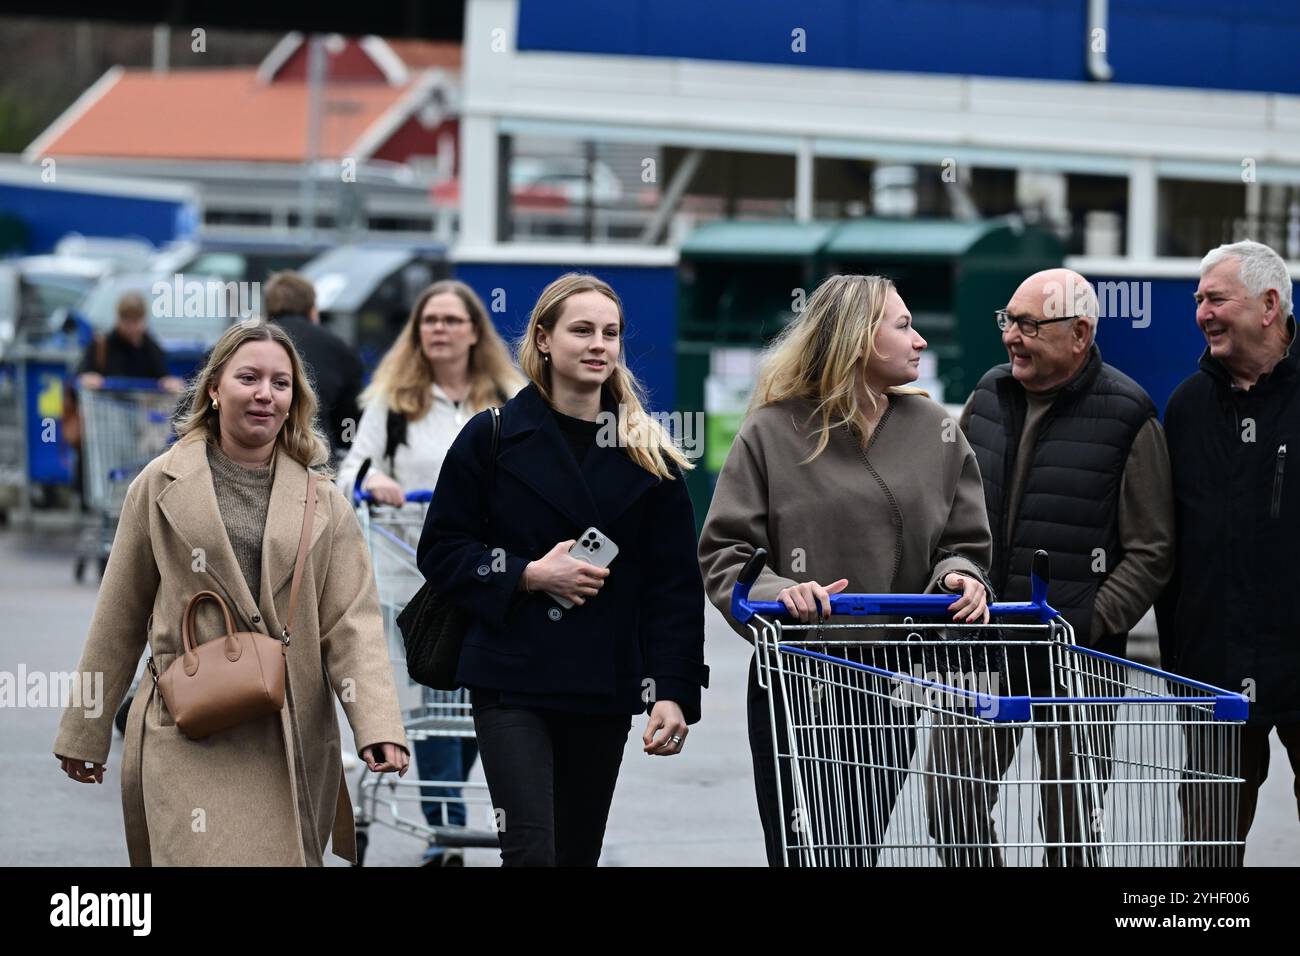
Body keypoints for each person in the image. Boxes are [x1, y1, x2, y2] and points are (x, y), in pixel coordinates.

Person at [53, 320, 410, 866]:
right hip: (187, 725)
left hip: (287, 728)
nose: (266, 394)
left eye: (281, 383)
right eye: (249, 378)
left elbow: (352, 624)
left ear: (295, 400)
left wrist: (377, 724)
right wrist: (87, 729)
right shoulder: (158, 484)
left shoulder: (324, 499)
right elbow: (119, 617)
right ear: (214, 389)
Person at [698, 274, 993, 867]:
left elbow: (964, 543)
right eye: (904, 326)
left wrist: (961, 578)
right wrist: (783, 591)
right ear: (859, 339)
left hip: (887, 681)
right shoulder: (771, 430)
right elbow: (726, 553)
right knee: (795, 853)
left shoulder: (935, 430)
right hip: (793, 677)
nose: (920, 343)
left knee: (854, 852)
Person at [417, 272, 709, 866]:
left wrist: (672, 692)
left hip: (602, 687)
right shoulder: (491, 437)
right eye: (582, 330)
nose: (599, 344)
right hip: (510, 680)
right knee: (531, 855)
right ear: (544, 340)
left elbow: (674, 590)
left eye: (611, 332)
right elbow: (442, 549)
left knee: (575, 856)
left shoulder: (650, 455)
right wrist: (526, 574)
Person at [935, 268, 1173, 865]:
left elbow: (1151, 547)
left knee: (1070, 825)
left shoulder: (1129, 414)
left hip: (1078, 663)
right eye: (1007, 321)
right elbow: (948, 508)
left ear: (1079, 335)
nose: (1012, 336)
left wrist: (1089, 620)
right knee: (950, 805)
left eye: (1028, 325)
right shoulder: (987, 395)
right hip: (983, 646)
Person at [336, 279, 523, 865]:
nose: (439, 329)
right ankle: (449, 826)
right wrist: (372, 483)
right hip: (406, 573)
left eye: (451, 319)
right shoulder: (392, 401)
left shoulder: (509, 397)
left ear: (474, 330)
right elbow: (349, 475)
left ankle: (447, 821)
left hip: (482, 575)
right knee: (431, 698)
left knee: (468, 708)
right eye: (429, 320)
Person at [1157, 240, 1300, 866]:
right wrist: (1178, 656)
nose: (1202, 313)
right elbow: (1165, 540)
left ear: (1269, 306)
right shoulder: (1187, 406)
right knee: (1208, 854)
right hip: (1212, 673)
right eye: (1198, 301)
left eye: (1216, 299)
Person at [264, 271, 364, 465]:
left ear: (267, 310)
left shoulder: (240, 344)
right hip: (315, 459)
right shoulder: (339, 349)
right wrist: (345, 447)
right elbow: (349, 417)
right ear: (313, 311)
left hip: (252, 455)